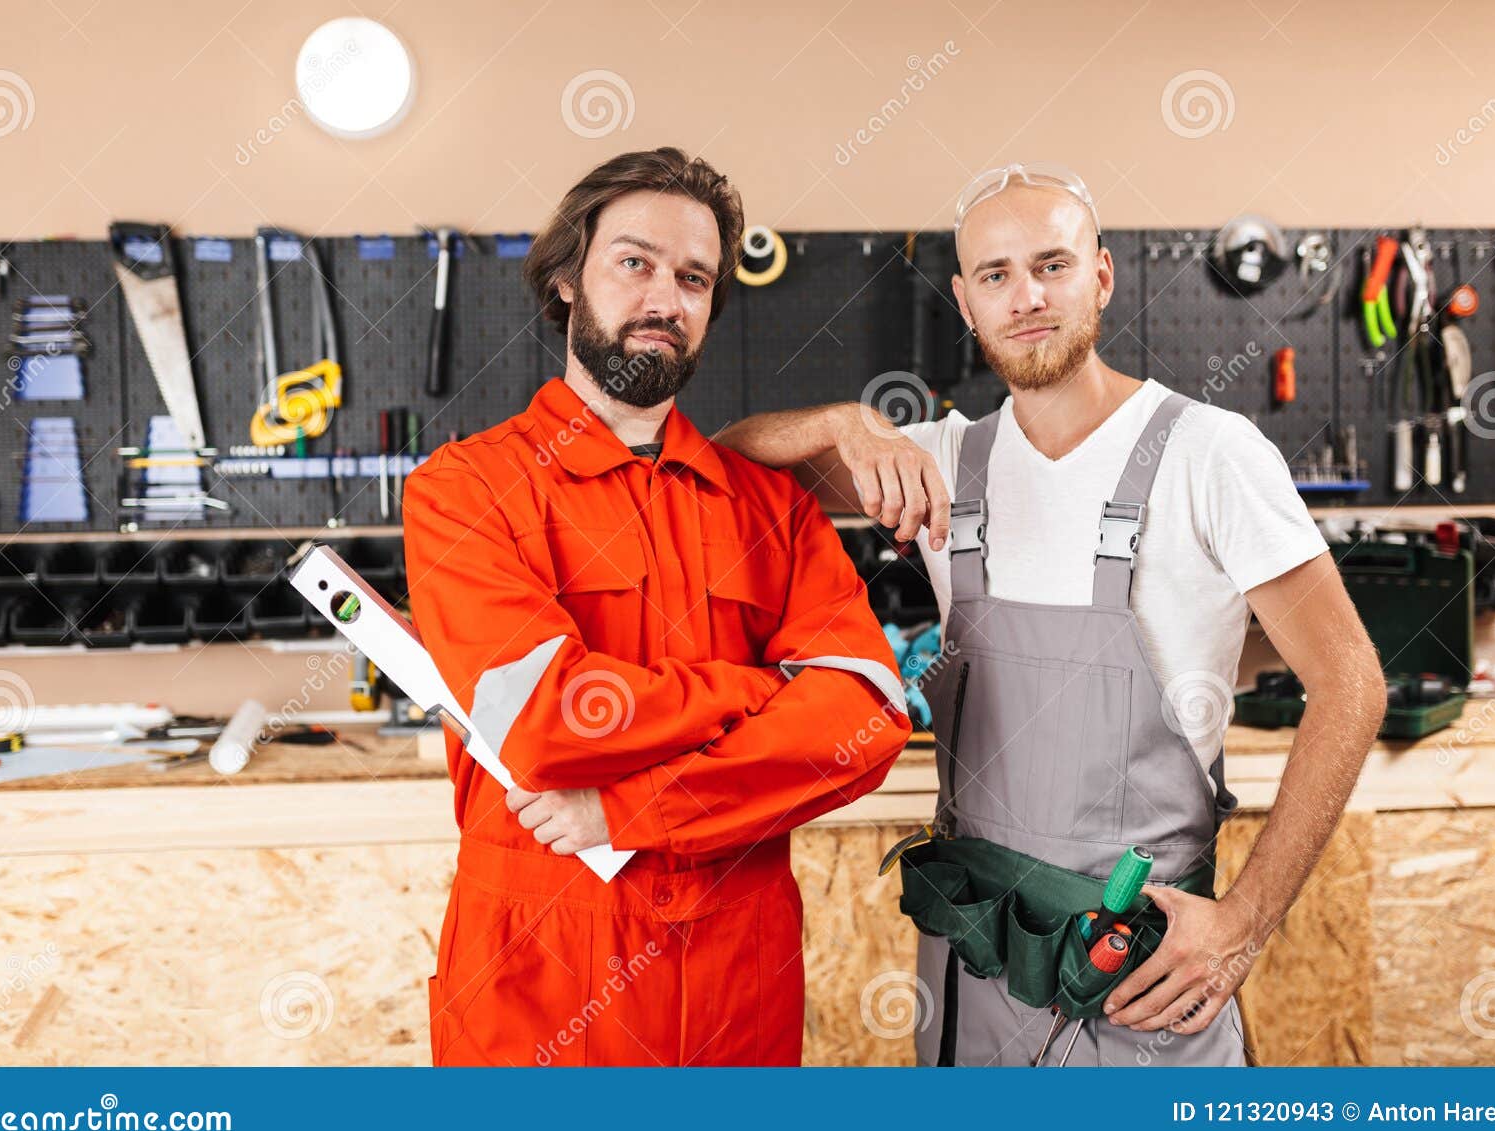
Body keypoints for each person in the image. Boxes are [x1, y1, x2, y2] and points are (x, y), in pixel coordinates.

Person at [714, 162, 1386, 1066]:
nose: (1025, 296)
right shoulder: (944, 460)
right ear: (965, 301)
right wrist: (848, 423)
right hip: (970, 971)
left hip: (1138, 981)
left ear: (1101, 274)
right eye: (995, 276)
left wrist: (1244, 922)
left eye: (1052, 265)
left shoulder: (1211, 454)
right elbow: (719, 472)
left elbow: (1352, 683)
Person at [402, 146, 912, 1067]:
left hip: (735, 989)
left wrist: (634, 807)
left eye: (693, 277)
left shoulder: (770, 506)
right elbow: (547, 721)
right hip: (543, 987)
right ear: (566, 280)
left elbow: (865, 717)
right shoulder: (467, 490)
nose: (664, 300)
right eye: (634, 262)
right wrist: (754, 691)